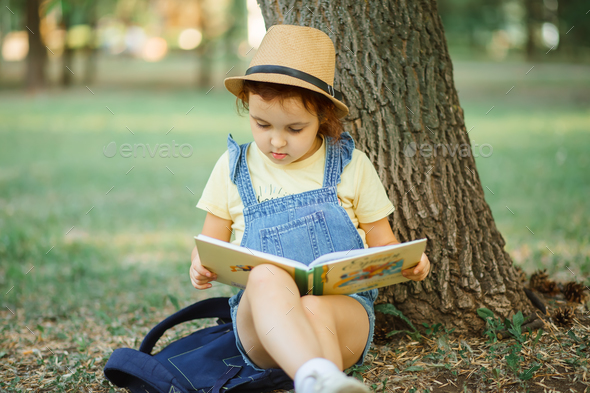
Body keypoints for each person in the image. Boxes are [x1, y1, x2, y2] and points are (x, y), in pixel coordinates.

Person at [190, 25, 431, 393]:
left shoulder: (351, 165)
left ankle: (317, 380)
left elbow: (383, 240)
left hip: (340, 316)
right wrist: (200, 264)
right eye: (261, 123)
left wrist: (406, 263)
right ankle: (319, 377)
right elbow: (210, 242)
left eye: (295, 128)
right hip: (263, 330)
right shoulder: (233, 168)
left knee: (316, 307)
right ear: (247, 107)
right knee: (265, 277)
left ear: (323, 118)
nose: (276, 140)